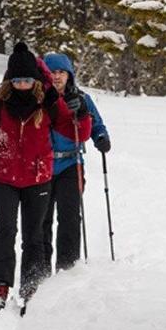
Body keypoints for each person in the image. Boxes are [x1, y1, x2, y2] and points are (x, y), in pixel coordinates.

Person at [0, 43, 91, 312]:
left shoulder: (48, 102)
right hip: (4, 177)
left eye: (27, 80)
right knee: (5, 230)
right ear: (9, 80)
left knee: (34, 235)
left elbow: (77, 132)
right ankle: (0, 286)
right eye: (17, 81)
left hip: (38, 178)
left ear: (35, 80)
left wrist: (81, 112)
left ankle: (32, 287)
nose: (22, 85)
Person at [40, 53, 109, 273]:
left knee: (69, 217)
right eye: (52, 72)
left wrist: (101, 137)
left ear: (69, 75)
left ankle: (67, 268)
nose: (57, 76)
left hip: (71, 164)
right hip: (42, 165)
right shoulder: (38, 98)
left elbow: (97, 124)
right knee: (41, 220)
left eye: (61, 72)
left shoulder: (81, 98)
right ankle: (40, 270)